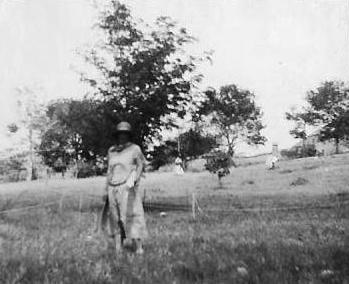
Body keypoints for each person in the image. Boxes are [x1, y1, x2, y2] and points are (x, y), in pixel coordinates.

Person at [101, 121, 148, 254]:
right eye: (120, 134)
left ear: (129, 135)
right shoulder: (112, 150)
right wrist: (106, 189)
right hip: (112, 187)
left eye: (125, 134)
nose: (122, 136)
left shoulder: (135, 149)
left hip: (127, 187)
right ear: (117, 135)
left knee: (132, 215)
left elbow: (140, 165)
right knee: (114, 217)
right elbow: (109, 171)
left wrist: (135, 179)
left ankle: (138, 247)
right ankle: (118, 247)